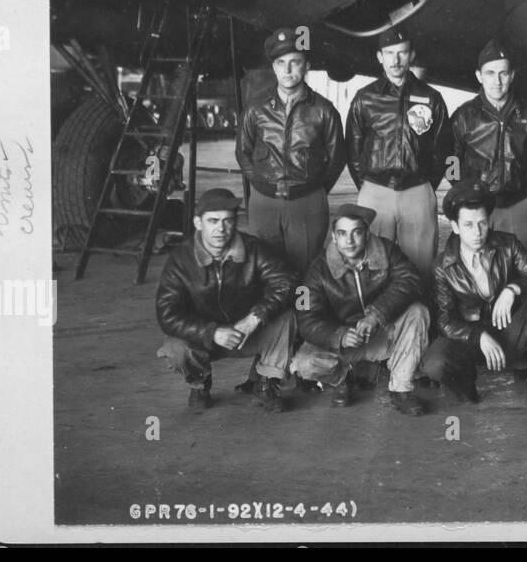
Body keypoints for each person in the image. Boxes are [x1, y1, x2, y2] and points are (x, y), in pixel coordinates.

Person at [422, 179, 527, 414]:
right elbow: (445, 321)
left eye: (482, 223)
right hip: (471, 342)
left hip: (509, 333)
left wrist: (513, 289)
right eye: (468, 225)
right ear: (455, 226)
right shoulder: (442, 266)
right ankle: (467, 384)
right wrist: (478, 336)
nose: (477, 233)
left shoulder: (508, 245)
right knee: (434, 364)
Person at [155, 188, 297, 413]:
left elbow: (286, 282)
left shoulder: (254, 248)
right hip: (205, 341)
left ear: (235, 222)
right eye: (213, 221)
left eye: (227, 221)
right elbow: (167, 313)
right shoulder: (181, 260)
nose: (221, 229)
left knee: (288, 318)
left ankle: (266, 383)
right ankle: (200, 384)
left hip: (248, 333)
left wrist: (255, 317)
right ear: (198, 223)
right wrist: (212, 332)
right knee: (174, 347)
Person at [290, 204, 430, 414]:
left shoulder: (387, 250)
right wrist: (340, 335)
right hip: (343, 343)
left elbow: (411, 280)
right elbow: (306, 319)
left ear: (367, 234)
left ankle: (401, 388)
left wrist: (376, 315)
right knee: (304, 364)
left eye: (356, 232)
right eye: (342, 233)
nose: (349, 240)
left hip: (382, 333)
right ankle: (342, 379)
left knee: (418, 311)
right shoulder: (317, 268)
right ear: (334, 237)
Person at [235, 26, 346, 277]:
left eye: (294, 62)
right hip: (264, 202)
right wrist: (261, 184)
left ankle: (302, 305)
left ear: (306, 66)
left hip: (307, 202)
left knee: (305, 270)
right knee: (264, 270)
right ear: (273, 68)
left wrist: (314, 188)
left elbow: (337, 158)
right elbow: (243, 152)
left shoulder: (324, 110)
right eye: (281, 63)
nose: (287, 70)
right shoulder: (255, 108)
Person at [345, 25, 452, 275]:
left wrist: (424, 186)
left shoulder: (432, 98)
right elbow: (353, 150)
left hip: (417, 190)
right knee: (373, 267)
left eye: (402, 52)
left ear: (411, 55)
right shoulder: (364, 98)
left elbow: (442, 150)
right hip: (376, 191)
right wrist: (369, 187)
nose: (396, 60)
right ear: (379, 57)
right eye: (389, 53)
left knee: (420, 267)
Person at [451, 40, 527, 251]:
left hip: (516, 206)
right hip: (478, 208)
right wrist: (466, 193)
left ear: (512, 75)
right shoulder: (464, 116)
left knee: (520, 266)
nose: (497, 81)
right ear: (479, 76)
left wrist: (521, 190)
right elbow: (451, 159)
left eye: (503, 73)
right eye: (490, 73)